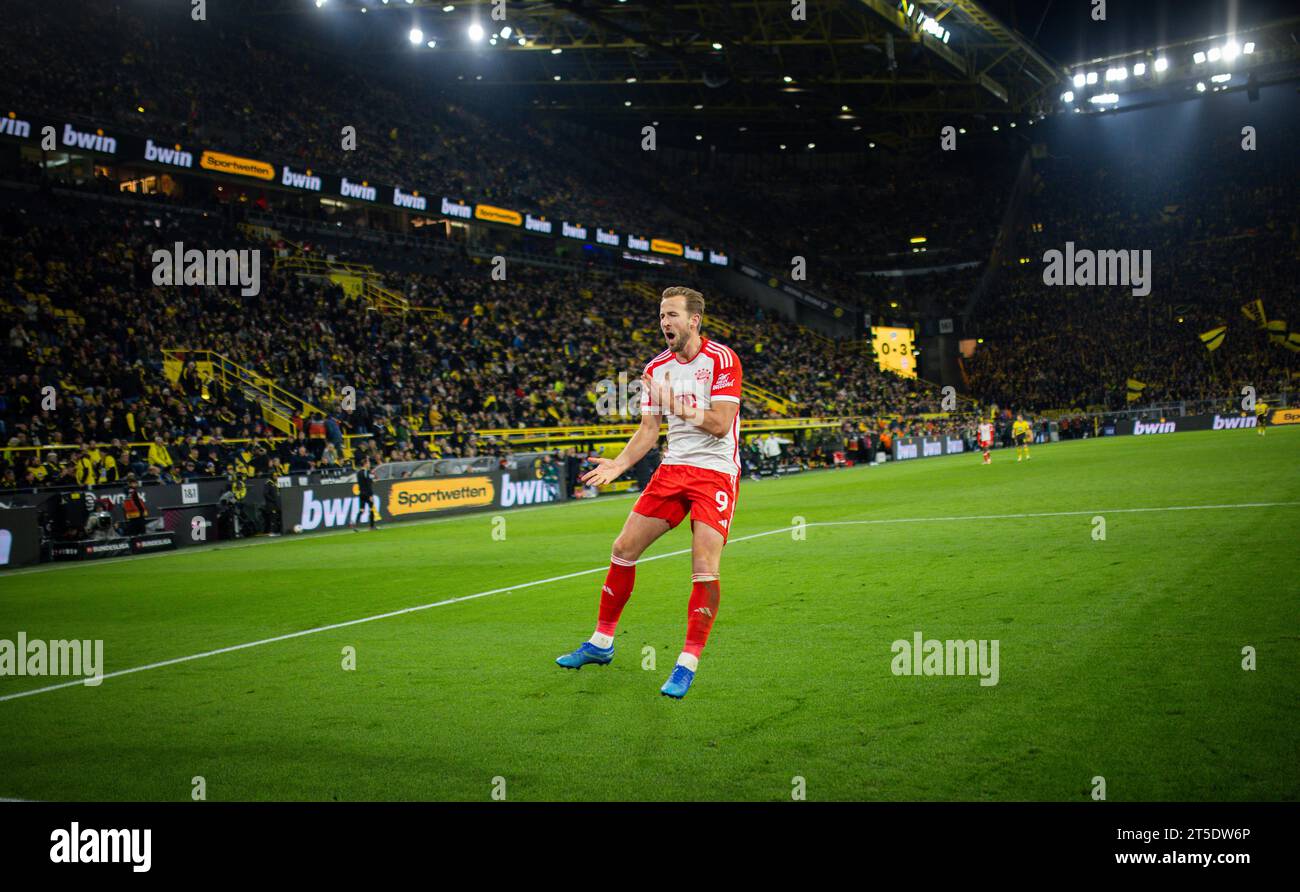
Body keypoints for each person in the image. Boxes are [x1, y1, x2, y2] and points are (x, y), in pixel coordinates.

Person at [555, 286, 742, 699]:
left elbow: (719, 424)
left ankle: (686, 663)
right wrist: (619, 464)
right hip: (673, 469)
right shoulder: (655, 368)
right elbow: (648, 431)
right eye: (661, 315)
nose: (664, 322)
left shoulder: (722, 360)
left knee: (704, 564)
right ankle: (602, 643)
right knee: (623, 547)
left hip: (715, 473)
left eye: (672, 315)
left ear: (694, 320)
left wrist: (671, 400)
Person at [350, 456, 379, 531]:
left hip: (361, 493)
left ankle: (355, 524)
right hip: (367, 493)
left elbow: (365, 482)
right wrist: (370, 495)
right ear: (365, 464)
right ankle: (372, 526)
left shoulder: (359, 473)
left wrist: (372, 480)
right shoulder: (366, 472)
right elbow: (368, 484)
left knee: (361, 510)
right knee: (371, 509)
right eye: (368, 463)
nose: (369, 464)